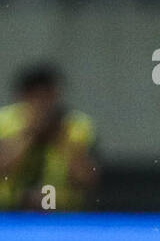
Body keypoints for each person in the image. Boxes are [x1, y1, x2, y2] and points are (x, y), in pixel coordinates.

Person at [0, 64, 98, 210]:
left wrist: (60, 138)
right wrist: (29, 134)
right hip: (8, 212)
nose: (42, 105)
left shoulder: (76, 126)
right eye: (36, 97)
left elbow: (88, 180)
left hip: (60, 213)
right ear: (22, 97)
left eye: (48, 97)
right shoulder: (4, 122)